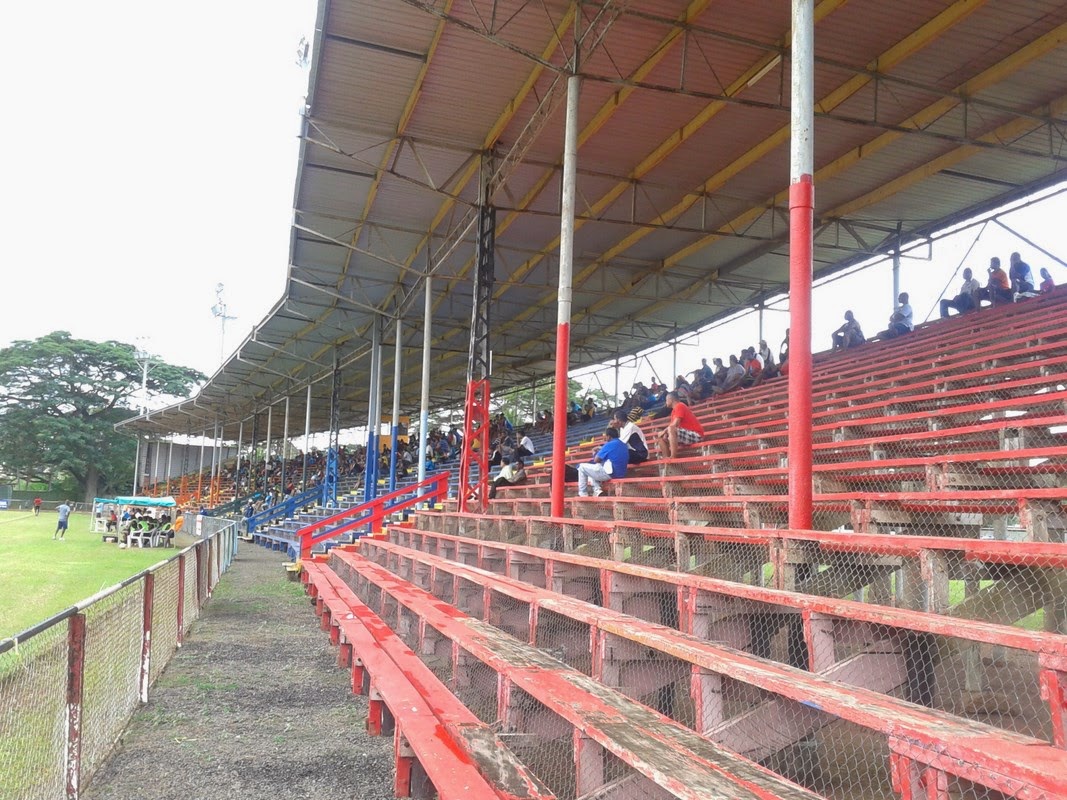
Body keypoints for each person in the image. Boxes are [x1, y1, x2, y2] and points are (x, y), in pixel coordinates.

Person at [577, 427, 629, 497]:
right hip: (622, 473)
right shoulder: (623, 444)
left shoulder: (609, 444)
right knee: (591, 470)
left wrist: (595, 453)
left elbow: (596, 460)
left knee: (581, 467)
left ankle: (583, 494)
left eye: (606, 436)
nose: (605, 438)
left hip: (611, 473)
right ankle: (597, 491)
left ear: (609, 436)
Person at [658, 391, 705, 459]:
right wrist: (664, 433)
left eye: (666, 400)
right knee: (661, 436)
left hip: (696, 435)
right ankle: (666, 459)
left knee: (670, 429)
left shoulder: (680, 405)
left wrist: (665, 431)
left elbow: (675, 424)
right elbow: (672, 426)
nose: (666, 402)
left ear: (671, 400)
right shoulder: (673, 411)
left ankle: (673, 456)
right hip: (685, 434)